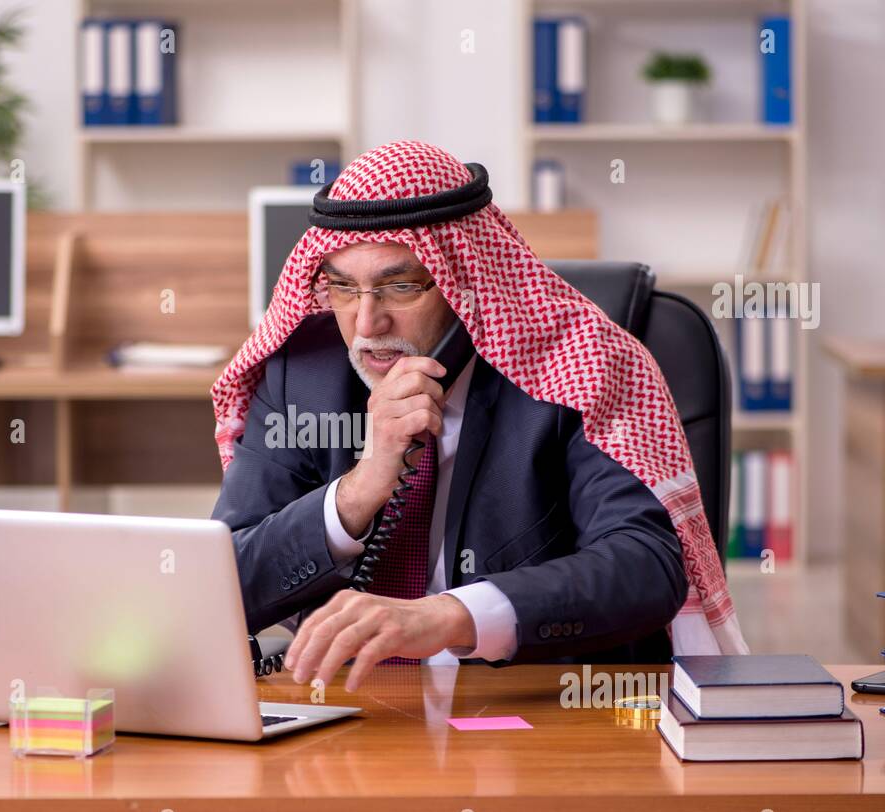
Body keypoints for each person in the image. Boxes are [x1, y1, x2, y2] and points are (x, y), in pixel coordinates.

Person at [211, 141, 746, 692]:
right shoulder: (303, 373)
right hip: (356, 715)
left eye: (400, 286)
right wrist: (358, 490)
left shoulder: (580, 368)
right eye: (343, 287)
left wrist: (449, 617)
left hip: (539, 719)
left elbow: (646, 567)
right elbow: (222, 584)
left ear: (463, 278)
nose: (367, 323)